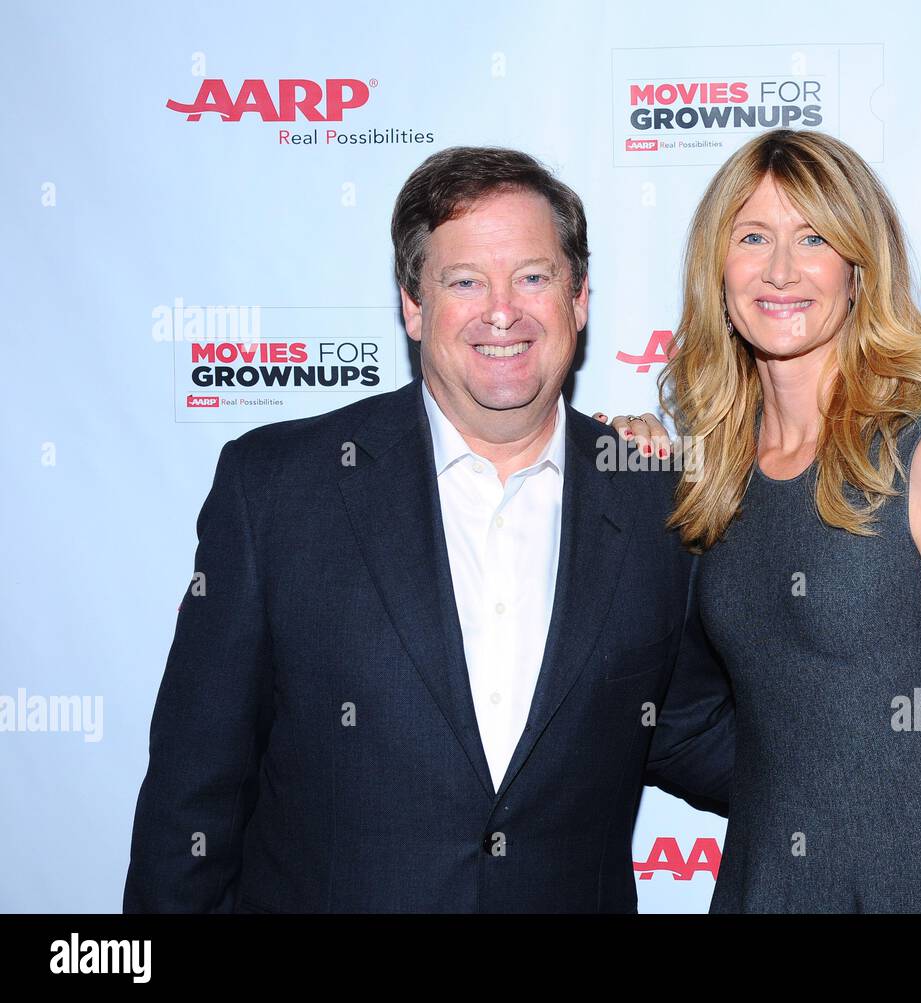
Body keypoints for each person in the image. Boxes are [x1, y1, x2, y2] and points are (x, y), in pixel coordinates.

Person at [123, 147, 734, 914]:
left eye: (533, 277)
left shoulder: (655, 501)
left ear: (579, 299)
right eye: (465, 280)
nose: (502, 310)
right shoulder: (277, 489)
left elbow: (686, 729)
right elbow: (193, 794)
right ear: (414, 305)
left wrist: (877, 760)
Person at [603, 129, 921, 912]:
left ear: (858, 270)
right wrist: (624, 469)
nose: (780, 269)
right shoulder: (712, 474)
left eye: (812, 237)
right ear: (718, 271)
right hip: (769, 886)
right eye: (753, 237)